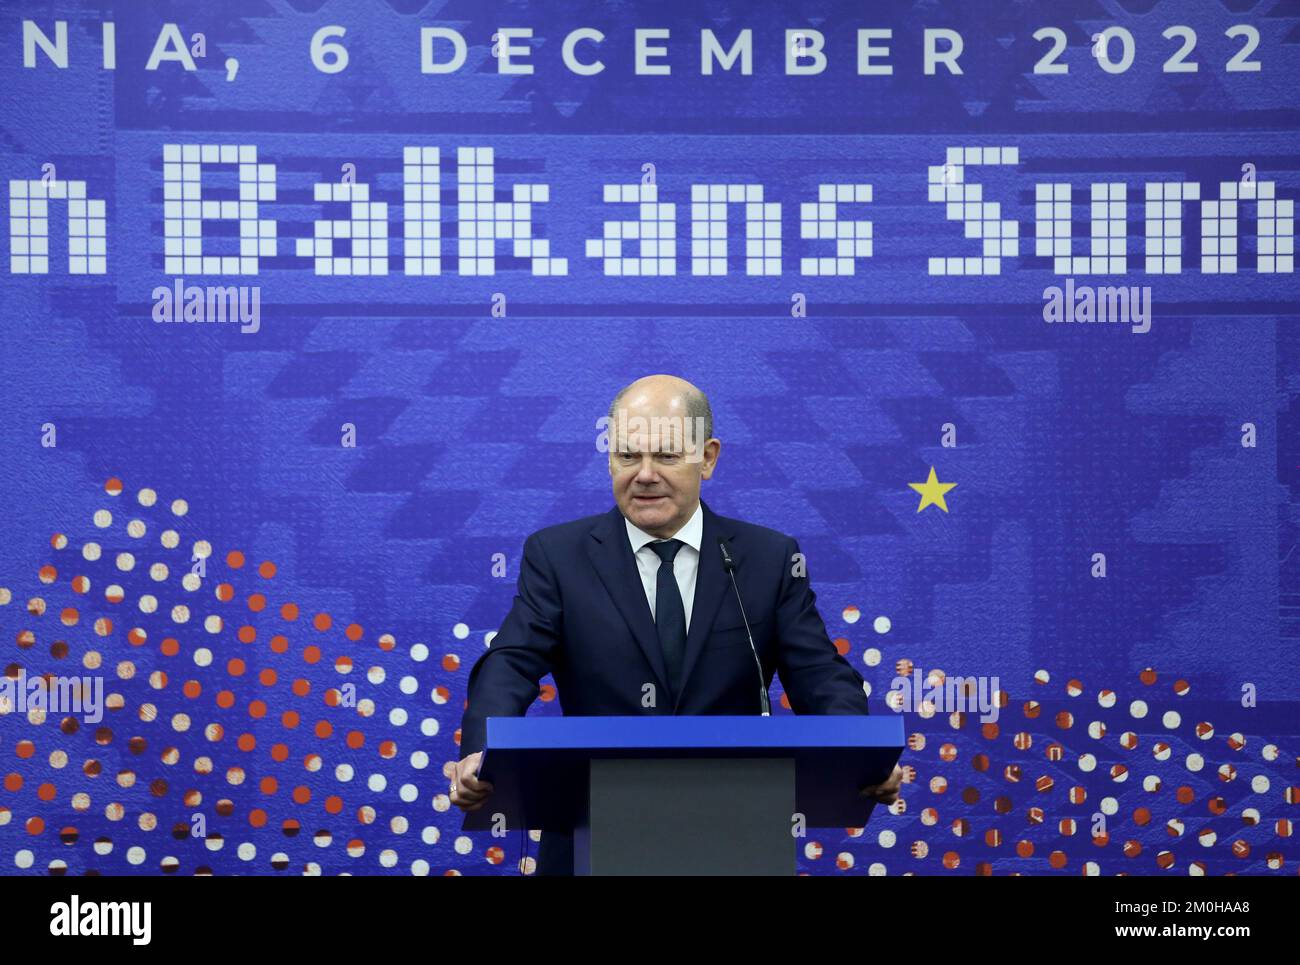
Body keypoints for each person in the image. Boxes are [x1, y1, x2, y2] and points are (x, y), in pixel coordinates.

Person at [450, 374, 903, 874]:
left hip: (735, 838)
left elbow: (819, 674)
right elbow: (511, 663)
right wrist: (480, 751)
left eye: (665, 456)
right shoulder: (557, 556)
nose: (644, 474)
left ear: (707, 458)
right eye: (627, 455)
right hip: (590, 836)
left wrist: (858, 751)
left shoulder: (768, 559)